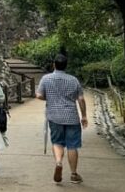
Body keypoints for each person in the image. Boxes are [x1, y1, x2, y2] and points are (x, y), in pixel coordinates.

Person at [36, 53, 88, 184]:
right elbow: (81, 99)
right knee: (72, 145)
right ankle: (74, 174)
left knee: (57, 142)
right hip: (71, 116)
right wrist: (84, 116)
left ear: (54, 65)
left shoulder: (46, 79)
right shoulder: (73, 80)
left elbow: (39, 95)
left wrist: (50, 98)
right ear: (66, 66)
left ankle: (59, 162)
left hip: (54, 116)